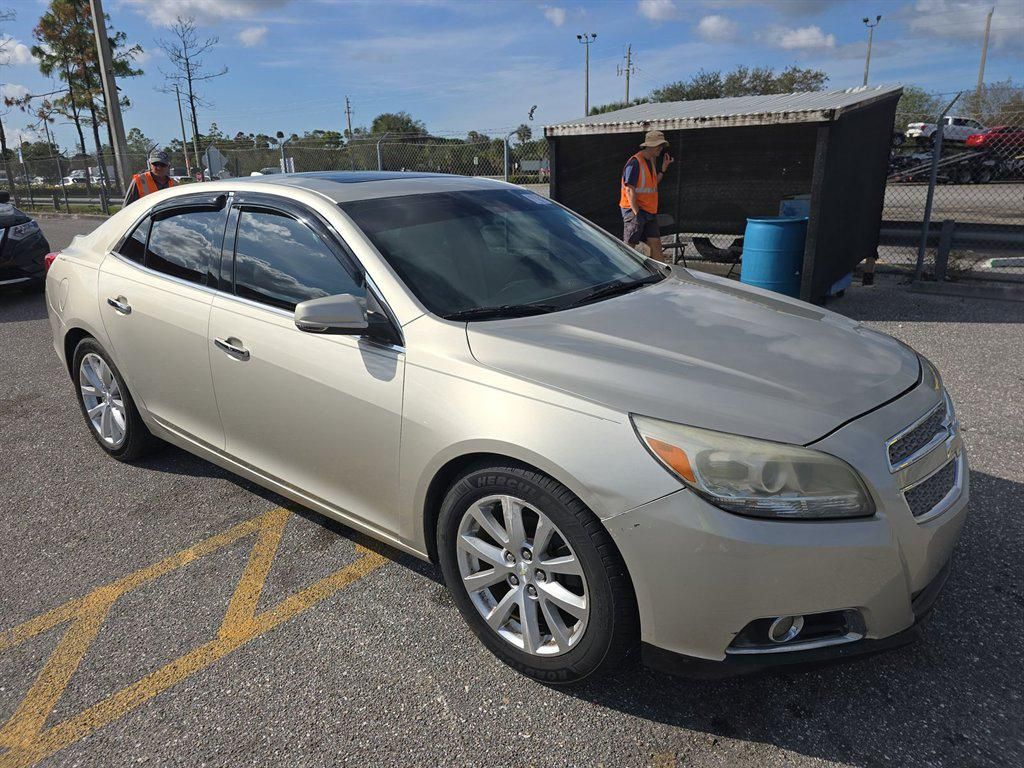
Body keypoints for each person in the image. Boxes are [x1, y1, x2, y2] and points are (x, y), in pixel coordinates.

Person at [620, 129, 673, 261]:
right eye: (659, 145)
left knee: (656, 244)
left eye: (661, 146)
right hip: (635, 210)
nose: (661, 149)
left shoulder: (650, 162)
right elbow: (629, 190)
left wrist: (663, 169)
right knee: (630, 246)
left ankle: (662, 275)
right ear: (649, 145)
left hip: (649, 211)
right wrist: (636, 213)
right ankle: (626, 275)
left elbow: (653, 184)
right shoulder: (634, 163)